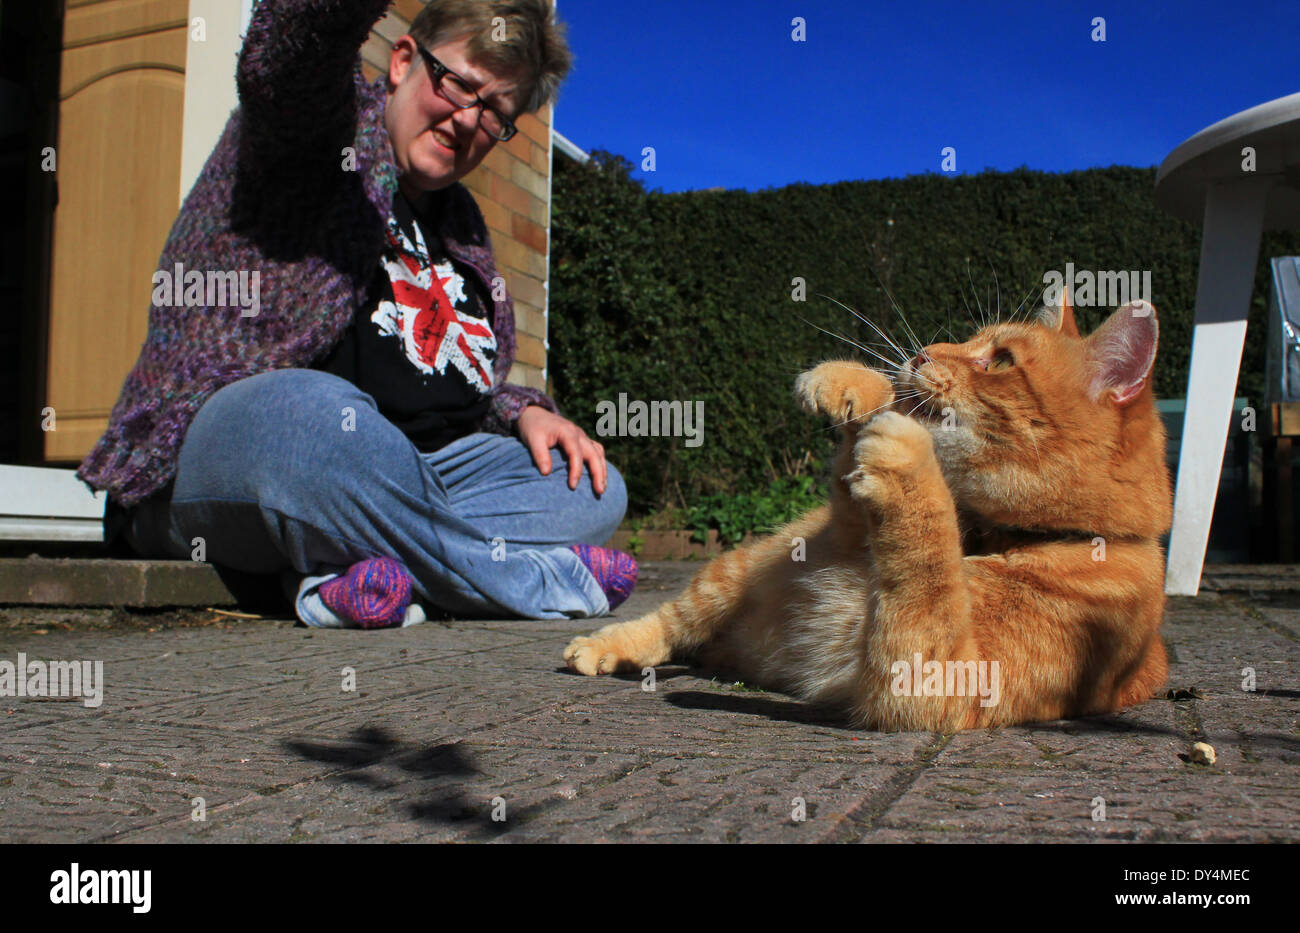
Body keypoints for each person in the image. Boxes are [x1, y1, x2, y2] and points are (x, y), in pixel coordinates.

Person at [77, 0, 636, 628]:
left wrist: (520, 409)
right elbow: (288, 52)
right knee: (317, 418)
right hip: (243, 447)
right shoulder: (319, 134)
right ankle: (533, 583)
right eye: (459, 84)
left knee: (589, 484)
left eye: (495, 113)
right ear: (402, 62)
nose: (467, 118)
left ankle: (343, 577)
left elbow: (455, 374)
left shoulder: (462, 225)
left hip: (405, 475)